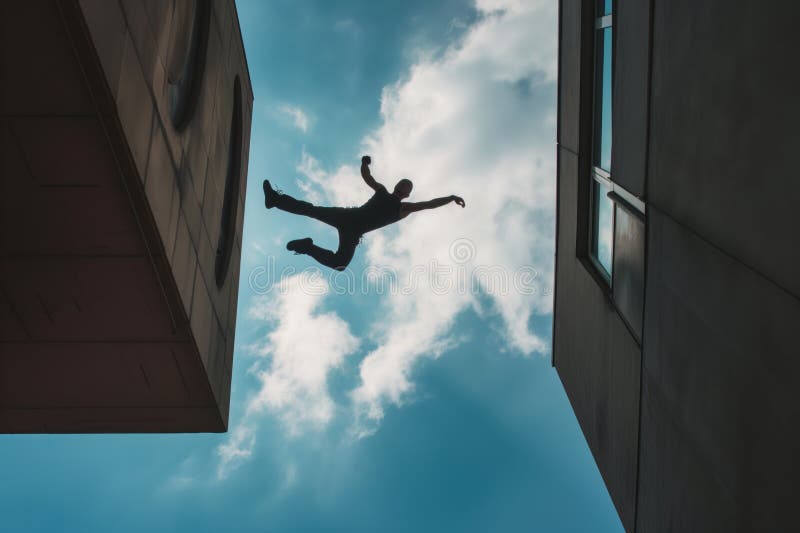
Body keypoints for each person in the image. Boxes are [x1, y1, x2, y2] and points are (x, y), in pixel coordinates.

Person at [263, 155, 466, 271]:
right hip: (347, 217)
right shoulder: (381, 190)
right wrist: (364, 164)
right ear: (397, 185)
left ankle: (307, 247)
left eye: (406, 187)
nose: (402, 186)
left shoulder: (404, 209)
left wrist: (450, 198)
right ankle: (275, 200)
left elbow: (429, 204)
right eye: (402, 183)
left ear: (407, 194)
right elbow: (368, 177)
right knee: (311, 210)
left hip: (353, 231)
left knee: (340, 264)